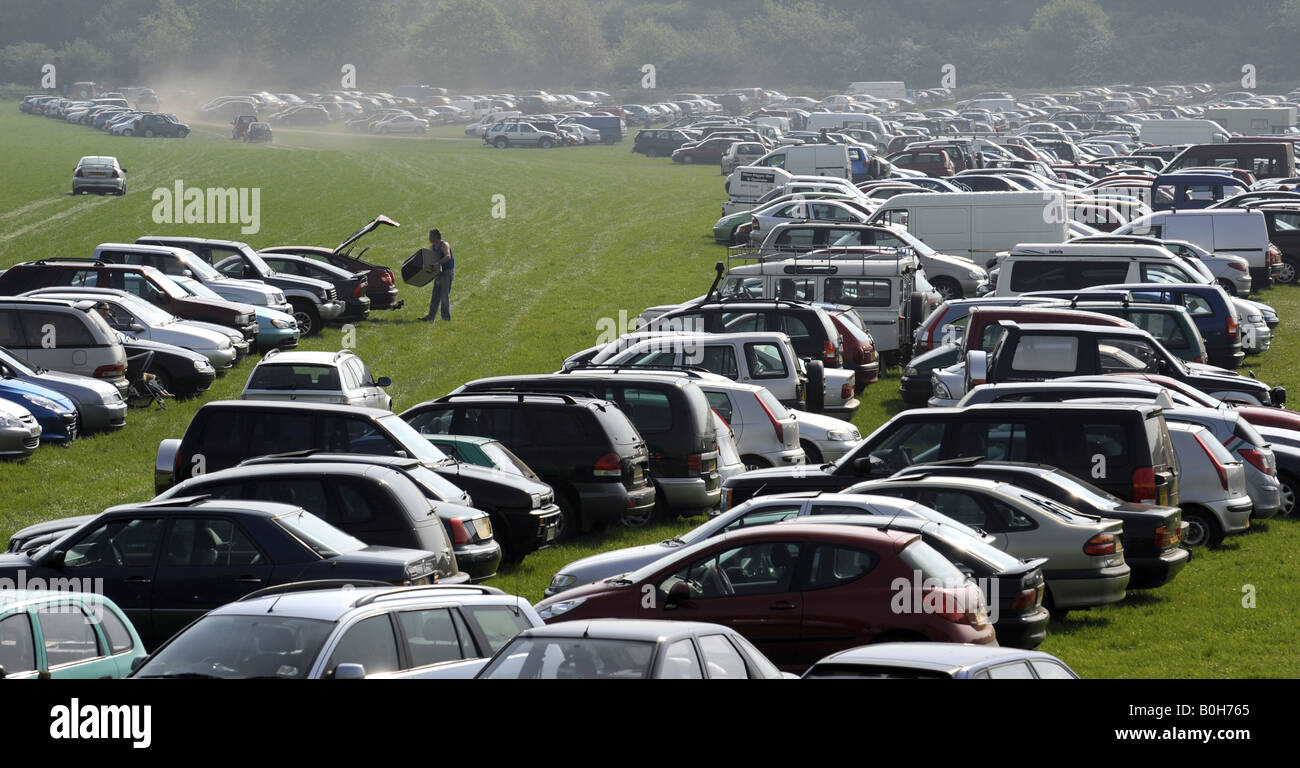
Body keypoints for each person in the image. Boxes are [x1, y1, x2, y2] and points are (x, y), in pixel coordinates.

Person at [420, 228, 454, 323]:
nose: (429, 238)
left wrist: (438, 263)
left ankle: (446, 318)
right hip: (438, 273)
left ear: (436, 237)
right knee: (435, 296)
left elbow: (448, 256)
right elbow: (430, 259)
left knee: (444, 296)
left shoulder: (444, 245)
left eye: (430, 236)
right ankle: (431, 317)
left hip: (447, 272)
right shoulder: (432, 247)